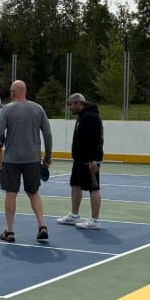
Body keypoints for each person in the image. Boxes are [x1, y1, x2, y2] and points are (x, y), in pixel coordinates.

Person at [0, 80, 52, 243]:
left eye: (11, 91)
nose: (10, 93)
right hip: (32, 158)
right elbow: (47, 134)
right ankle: (42, 225)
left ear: (14, 92)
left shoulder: (7, 109)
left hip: (12, 159)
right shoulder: (38, 108)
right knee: (33, 193)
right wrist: (47, 157)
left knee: (11, 193)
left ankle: (10, 231)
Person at [58, 93, 105, 230]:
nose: (69, 108)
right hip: (80, 159)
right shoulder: (83, 116)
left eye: (71, 104)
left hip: (89, 161)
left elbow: (93, 140)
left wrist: (92, 160)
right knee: (75, 184)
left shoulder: (90, 117)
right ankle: (74, 215)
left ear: (79, 103)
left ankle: (95, 220)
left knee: (93, 188)